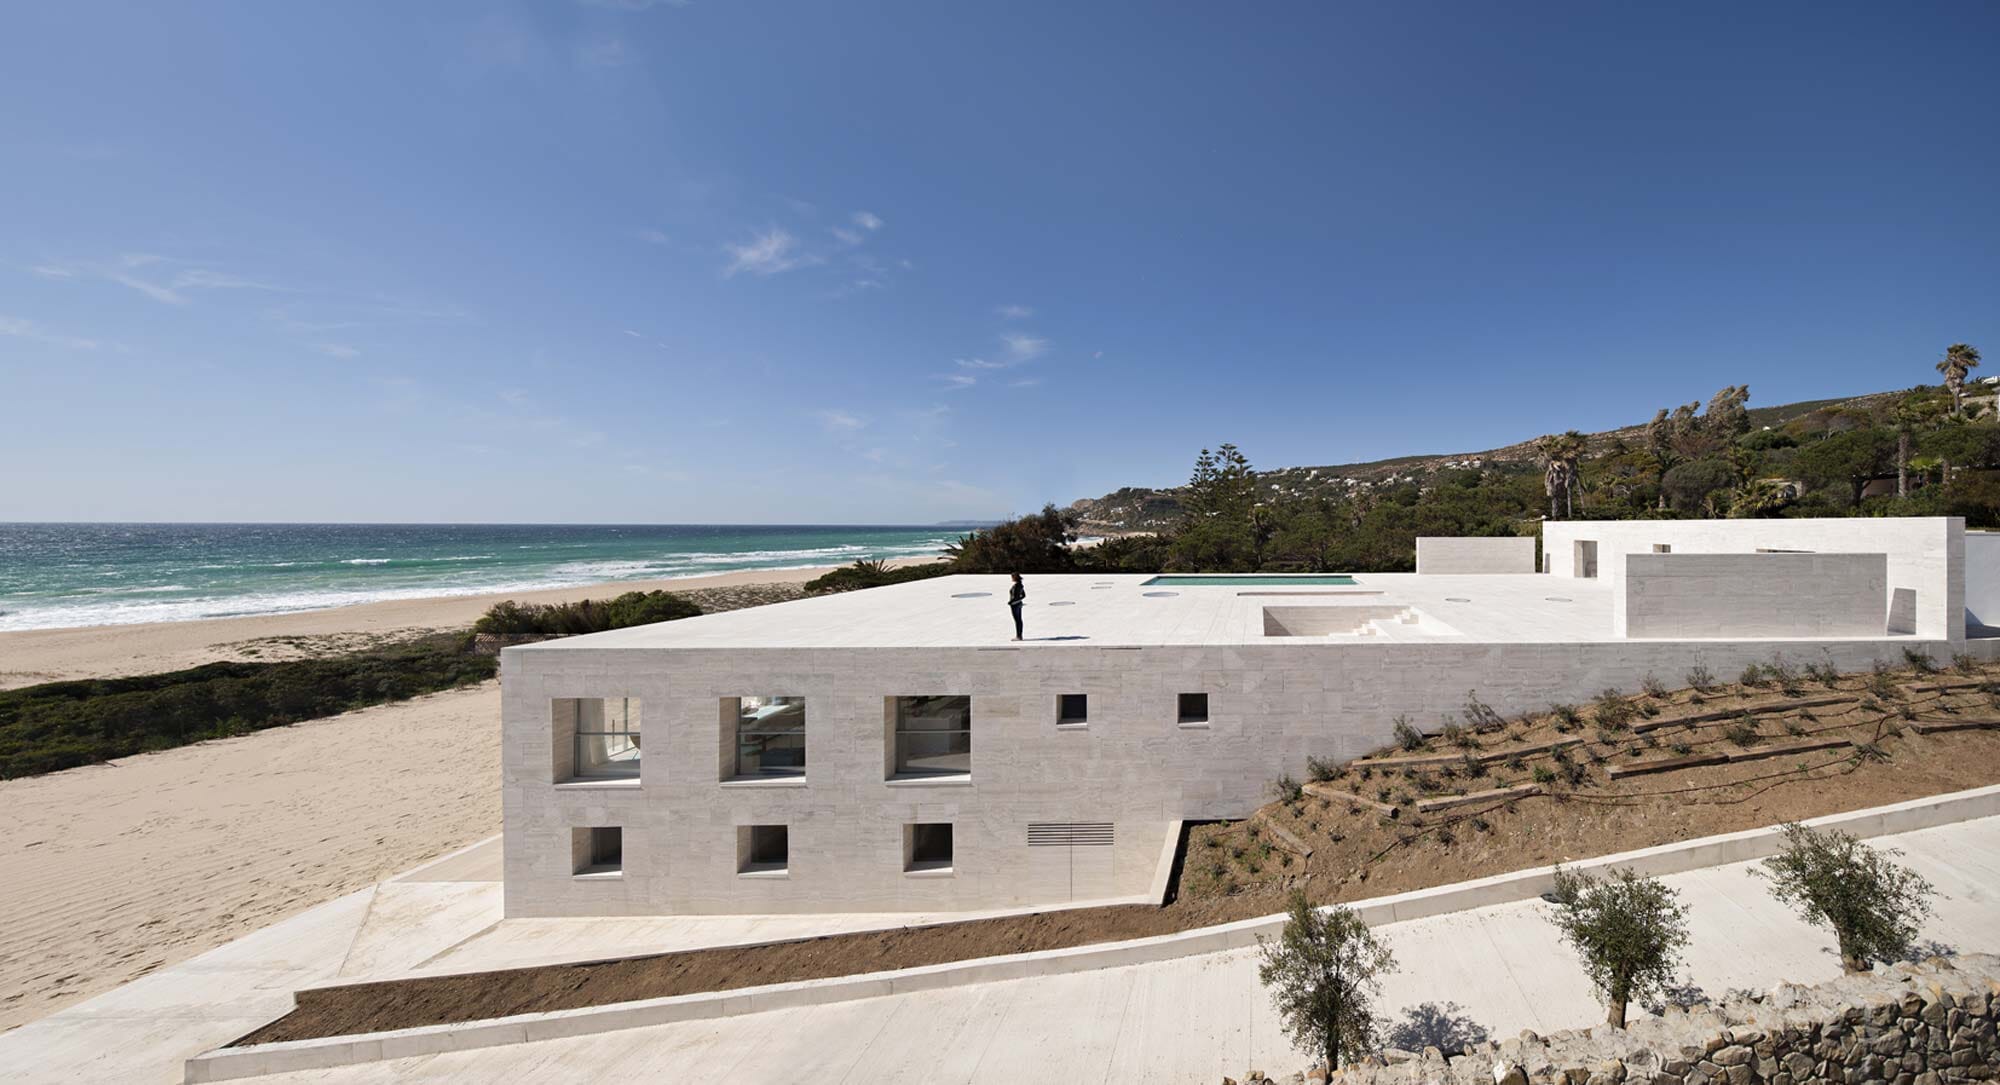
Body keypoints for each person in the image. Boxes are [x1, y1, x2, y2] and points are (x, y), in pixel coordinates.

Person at [1007, 572, 1025, 640]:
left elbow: (1014, 596)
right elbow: (1023, 595)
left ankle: (1018, 636)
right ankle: (1020, 635)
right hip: (1019, 604)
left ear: (1014, 577)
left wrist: (1010, 602)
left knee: (1017, 620)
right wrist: (1019, 600)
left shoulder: (1016, 586)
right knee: (1019, 620)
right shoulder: (1021, 585)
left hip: (1014, 605)